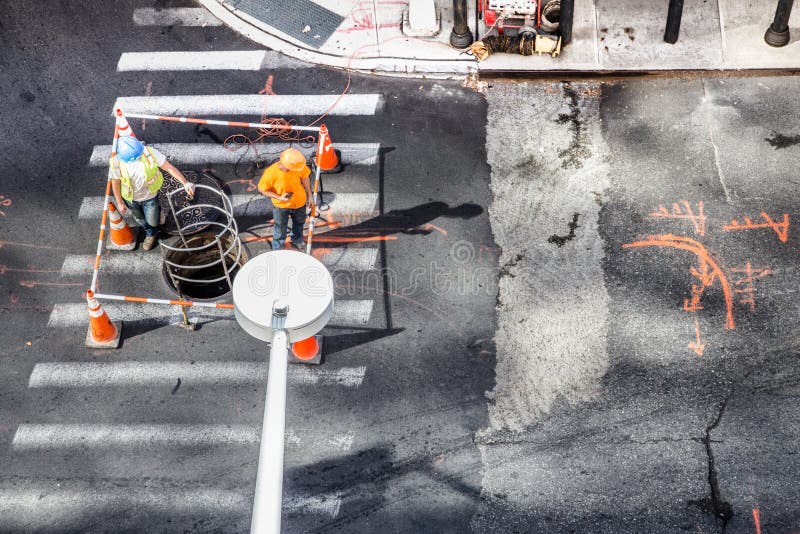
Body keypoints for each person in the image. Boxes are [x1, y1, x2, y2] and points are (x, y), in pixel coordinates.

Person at [109, 137, 195, 250]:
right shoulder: (116, 162)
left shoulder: (149, 152)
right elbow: (115, 182)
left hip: (150, 197)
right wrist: (119, 202)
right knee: (139, 219)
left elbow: (168, 167)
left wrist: (185, 183)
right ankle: (150, 234)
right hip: (131, 199)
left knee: (152, 221)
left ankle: (155, 224)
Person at [258, 148, 313, 251]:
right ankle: (277, 246)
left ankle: (297, 239)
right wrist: (279, 197)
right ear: (288, 165)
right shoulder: (270, 173)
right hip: (281, 206)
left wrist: (310, 195)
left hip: (299, 202)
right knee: (280, 228)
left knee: (299, 223)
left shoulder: (297, 166)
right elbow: (262, 189)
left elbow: (305, 178)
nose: (298, 170)